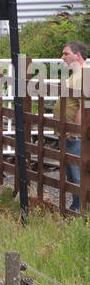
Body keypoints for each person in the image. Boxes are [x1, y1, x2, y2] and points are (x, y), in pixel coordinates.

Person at [58, 41, 87, 214]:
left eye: (66, 54)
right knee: (71, 171)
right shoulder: (75, 75)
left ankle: (78, 208)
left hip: (74, 135)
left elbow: (82, 107)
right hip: (68, 132)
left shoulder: (82, 76)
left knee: (76, 172)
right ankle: (76, 206)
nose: (63, 57)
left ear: (78, 56)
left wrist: (75, 132)